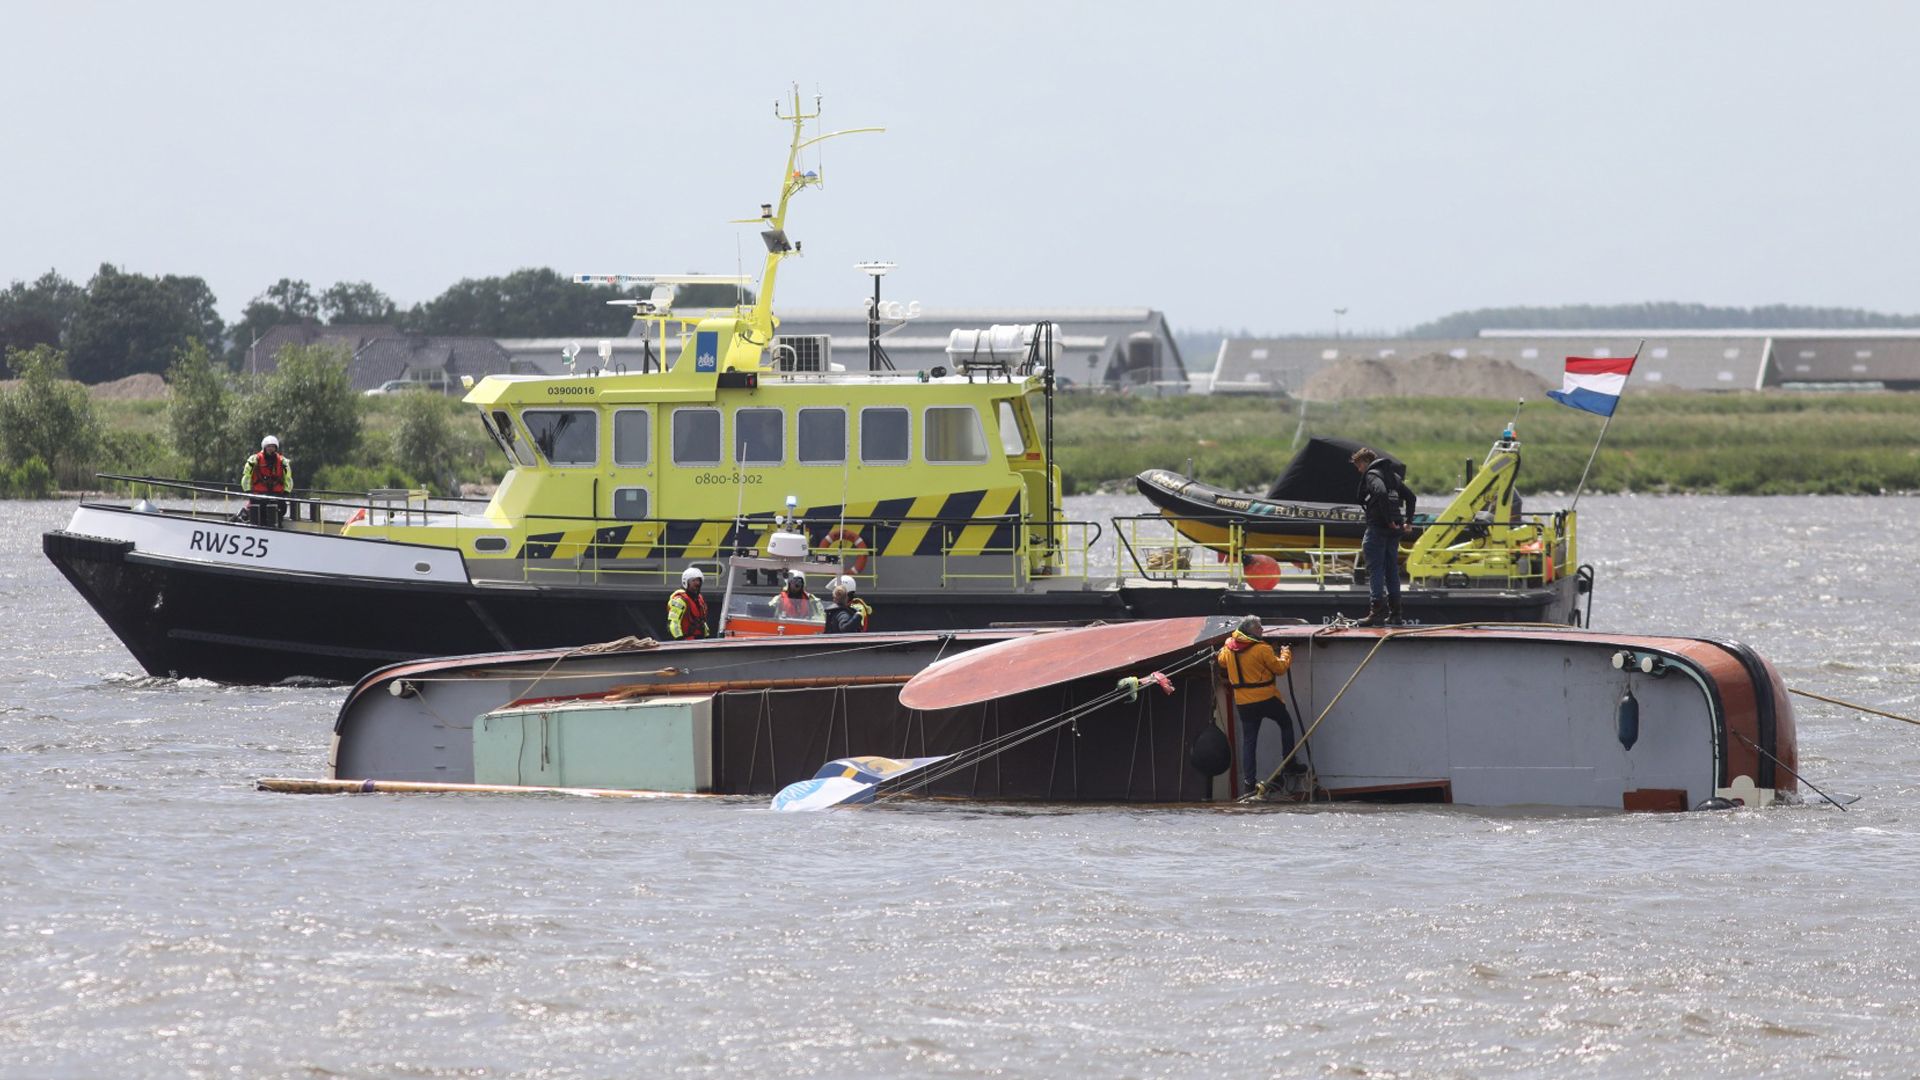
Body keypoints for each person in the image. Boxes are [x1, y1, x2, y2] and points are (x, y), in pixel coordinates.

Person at [1217, 615, 1299, 792]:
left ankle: (1248, 783)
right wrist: (1285, 652)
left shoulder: (1229, 648)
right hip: (1266, 698)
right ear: (1250, 631)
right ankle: (1289, 762)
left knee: (1249, 742)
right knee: (1285, 723)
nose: (1262, 630)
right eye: (1259, 628)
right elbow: (1280, 669)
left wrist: (1227, 644)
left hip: (1243, 703)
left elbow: (1221, 661)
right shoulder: (1262, 649)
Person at [1352, 447, 1416, 627]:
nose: (1359, 470)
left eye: (1358, 466)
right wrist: (1408, 521)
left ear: (1365, 462)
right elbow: (1411, 497)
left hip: (1378, 528)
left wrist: (1387, 520)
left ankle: (1376, 613)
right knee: (1391, 571)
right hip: (1395, 531)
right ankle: (1396, 614)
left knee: (1376, 570)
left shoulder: (1372, 475)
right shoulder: (1393, 477)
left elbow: (1379, 493)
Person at [241, 435, 294, 525]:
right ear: (264, 447)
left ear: (276, 448)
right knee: (258, 514)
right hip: (258, 495)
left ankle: (277, 529)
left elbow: (288, 478)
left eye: (273, 447)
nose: (271, 449)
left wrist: (286, 491)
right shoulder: (254, 460)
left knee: (280, 511)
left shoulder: (283, 461)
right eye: (268, 446)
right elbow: (247, 476)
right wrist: (248, 490)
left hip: (276, 495)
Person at [667, 566, 710, 639]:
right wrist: (679, 639)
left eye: (698, 580)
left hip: (700, 640)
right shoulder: (679, 600)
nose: (697, 583)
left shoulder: (699, 599)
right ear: (685, 582)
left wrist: (706, 635)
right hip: (687, 640)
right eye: (693, 581)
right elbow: (674, 622)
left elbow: (701, 620)